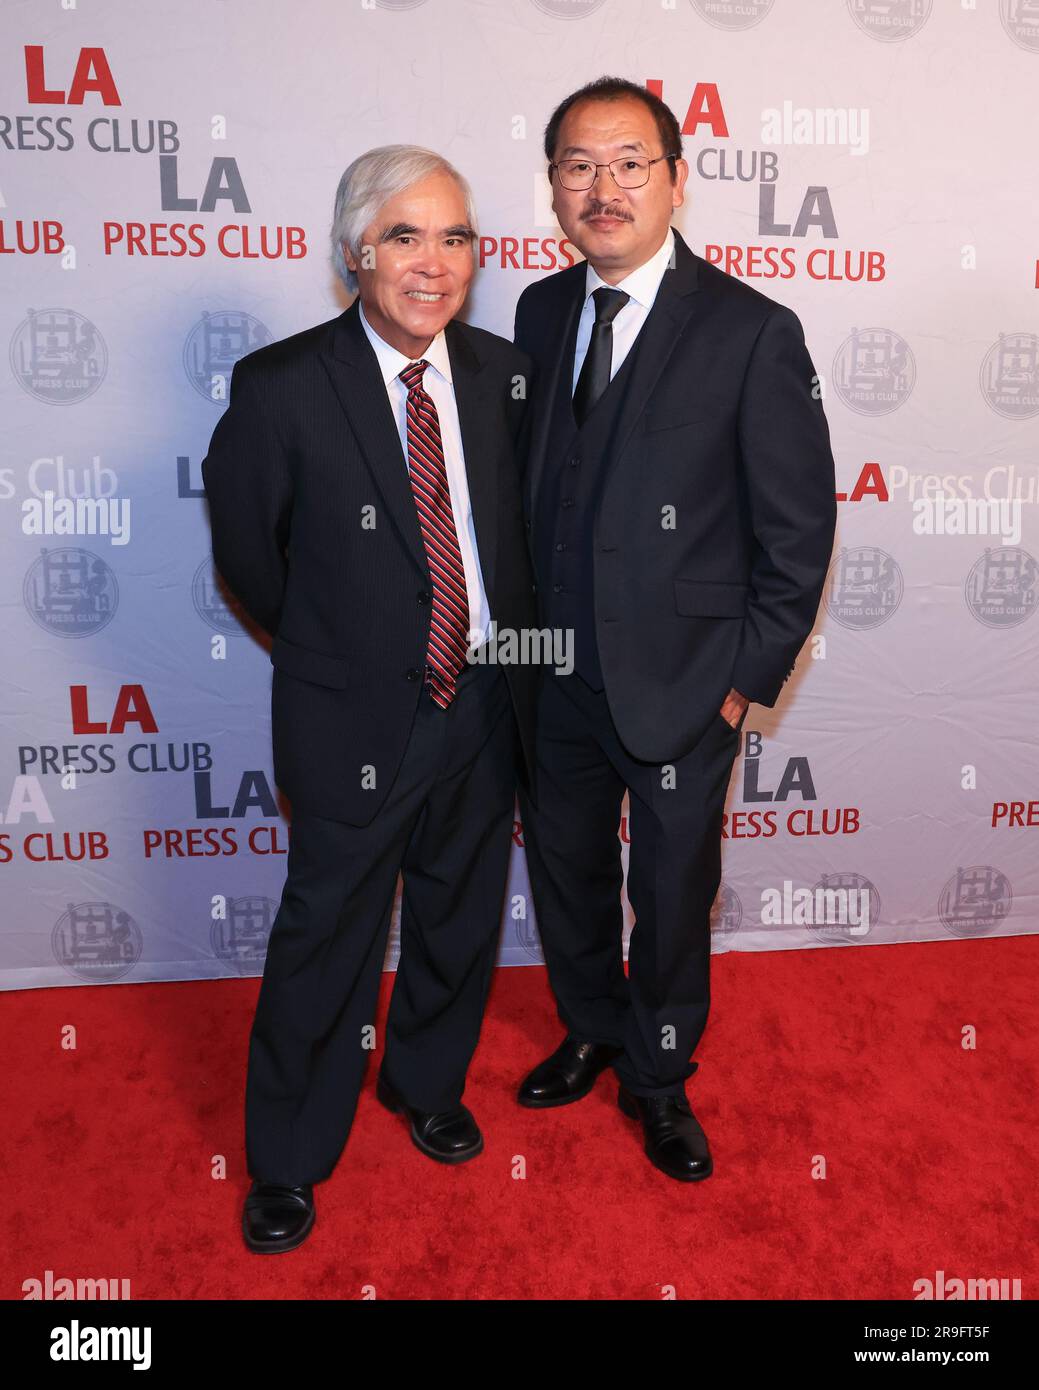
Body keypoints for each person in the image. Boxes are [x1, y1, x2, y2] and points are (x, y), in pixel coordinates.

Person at [202, 145, 537, 1251]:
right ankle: (290, 1153)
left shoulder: (501, 376)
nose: (432, 262)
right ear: (356, 254)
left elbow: (521, 543)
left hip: (485, 701)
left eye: (454, 237)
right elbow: (253, 562)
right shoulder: (283, 386)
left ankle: (425, 1084)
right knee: (327, 930)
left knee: (457, 910)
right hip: (348, 710)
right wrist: (345, 648)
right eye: (404, 235)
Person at [513, 77, 837, 1181]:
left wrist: (744, 681)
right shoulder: (540, 312)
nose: (602, 189)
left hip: (683, 682)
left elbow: (797, 533)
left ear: (676, 180)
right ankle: (593, 1025)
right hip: (551, 673)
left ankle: (657, 1078)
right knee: (564, 873)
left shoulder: (753, 332)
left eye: (628, 163)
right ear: (553, 186)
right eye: (577, 166)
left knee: (667, 900)